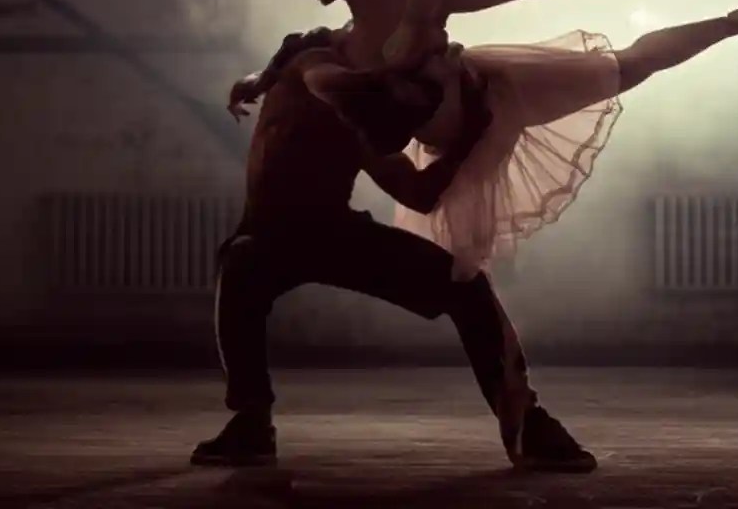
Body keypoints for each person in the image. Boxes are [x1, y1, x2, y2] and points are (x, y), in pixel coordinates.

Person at [231, 0, 738, 281]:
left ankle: (736, 21)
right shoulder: (335, 42)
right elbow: (295, 59)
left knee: (627, 66)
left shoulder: (425, 1)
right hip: (444, 139)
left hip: (492, 95)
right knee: (461, 270)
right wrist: (256, 83)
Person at [197, 34, 597, 473]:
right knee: (238, 262)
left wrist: (468, 142)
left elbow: (418, 193)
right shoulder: (320, 59)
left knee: (467, 287)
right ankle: (251, 422)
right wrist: (255, 81)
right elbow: (307, 64)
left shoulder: (363, 116)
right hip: (269, 235)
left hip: (330, 232)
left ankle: (527, 422)